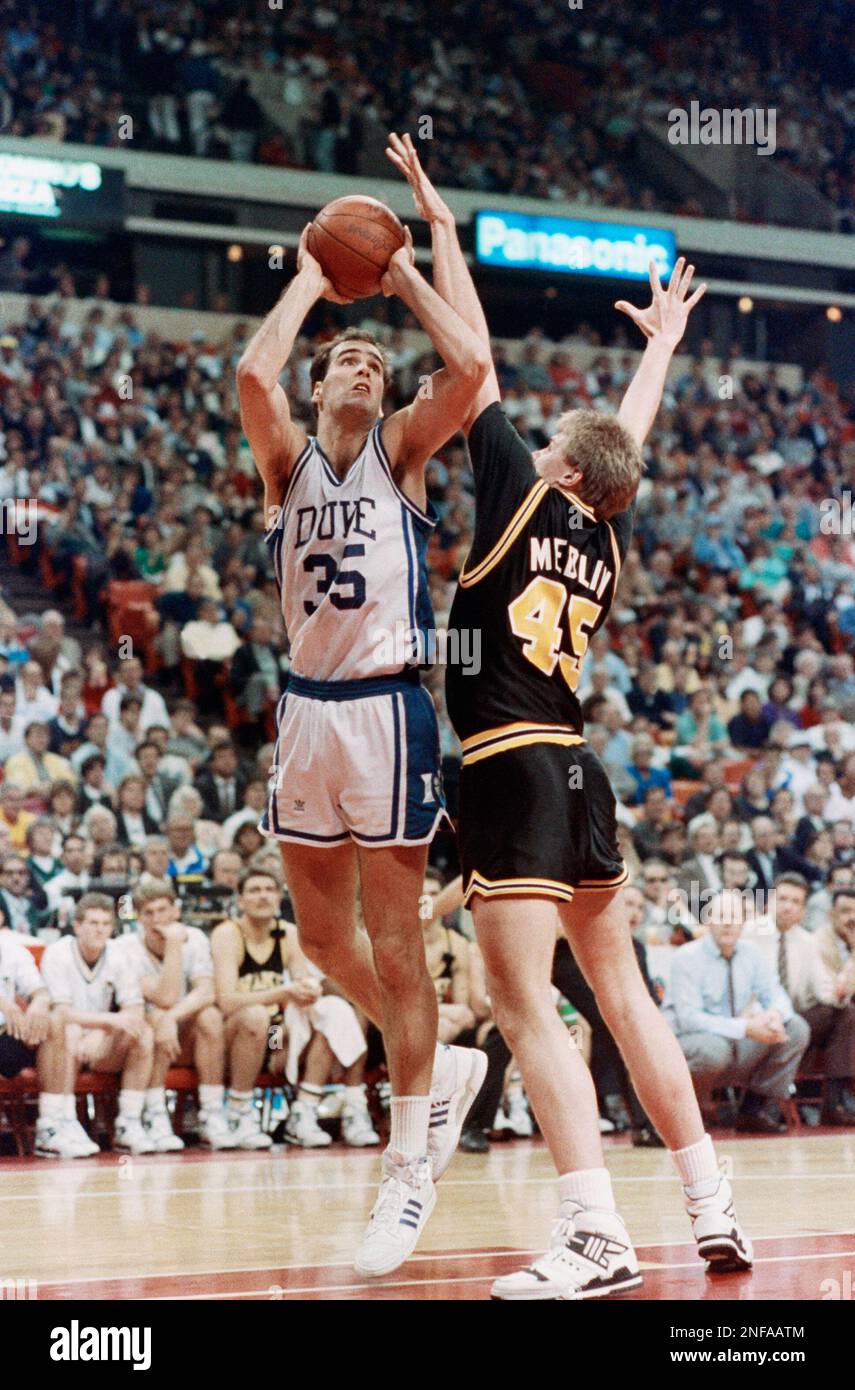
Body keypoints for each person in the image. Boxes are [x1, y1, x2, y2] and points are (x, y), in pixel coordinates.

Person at [386, 129, 751, 1300]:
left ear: (562, 472)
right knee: (625, 992)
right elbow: (624, 443)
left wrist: (426, 244)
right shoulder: (601, 522)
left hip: (511, 764)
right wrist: (663, 353)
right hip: (585, 772)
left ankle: (593, 1234)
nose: (532, 443)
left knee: (521, 1001)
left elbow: (472, 360)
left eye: (550, 448)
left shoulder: (524, 488)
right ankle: (712, 1204)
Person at [237, 199, 490, 1273]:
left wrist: (401, 281)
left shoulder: (400, 454)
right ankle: (429, 1060)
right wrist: (309, 276)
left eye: (375, 367)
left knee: (393, 940)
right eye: (346, 360)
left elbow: (471, 372)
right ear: (319, 377)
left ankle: (408, 1165)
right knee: (323, 940)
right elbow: (253, 379)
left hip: (389, 708)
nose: (365, 372)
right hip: (303, 710)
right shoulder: (284, 461)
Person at [211, 869, 378, 1149]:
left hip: (276, 1036)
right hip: (234, 1035)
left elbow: (302, 981)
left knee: (332, 1011)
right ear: (240, 900)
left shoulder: (288, 933)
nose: (263, 896)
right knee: (255, 1016)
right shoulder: (228, 933)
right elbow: (226, 1002)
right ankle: (239, 1112)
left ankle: (304, 1112)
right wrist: (283, 992)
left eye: (269, 889)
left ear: (279, 897)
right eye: (254, 890)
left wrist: (308, 989)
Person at [664, 891, 810, 1133]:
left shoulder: (751, 952)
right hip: (688, 1044)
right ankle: (685, 1112)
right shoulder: (686, 958)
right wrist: (745, 1027)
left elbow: (775, 994)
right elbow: (689, 1019)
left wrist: (773, 1015)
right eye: (721, 916)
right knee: (714, 1050)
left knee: (795, 1027)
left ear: (744, 922)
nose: (728, 923)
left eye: (734, 916)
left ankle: (753, 1109)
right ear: (708, 920)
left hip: (733, 1042)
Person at [114, 879, 235, 1150]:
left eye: (162, 910)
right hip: (141, 1043)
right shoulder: (125, 947)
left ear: (176, 911)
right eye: (148, 913)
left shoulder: (197, 938)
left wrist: (172, 1018)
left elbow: (207, 991)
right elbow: (165, 997)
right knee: (155, 1017)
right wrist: (173, 945)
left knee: (210, 1016)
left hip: (181, 1034)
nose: (157, 920)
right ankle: (156, 1115)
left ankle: (212, 1114)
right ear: (139, 918)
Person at [40, 893, 155, 1155]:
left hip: (101, 1044)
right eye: (92, 923)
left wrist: (102, 1032)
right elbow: (60, 1011)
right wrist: (107, 1022)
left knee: (143, 1032)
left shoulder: (119, 954)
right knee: (68, 1029)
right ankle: (62, 1122)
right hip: (59, 1042)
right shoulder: (57, 952)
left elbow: (134, 1007)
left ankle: (128, 1123)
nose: (100, 929)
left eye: (105, 923)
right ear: (77, 926)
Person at [744, 874, 855, 1123]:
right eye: (782, 899)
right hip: (752, 1016)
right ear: (769, 902)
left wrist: (838, 992)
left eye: (795, 902)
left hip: (792, 1016)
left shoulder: (806, 941)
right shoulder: (748, 934)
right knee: (794, 1026)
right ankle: (755, 1106)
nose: (788, 906)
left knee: (845, 1013)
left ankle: (834, 1103)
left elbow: (821, 989)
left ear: (803, 910)